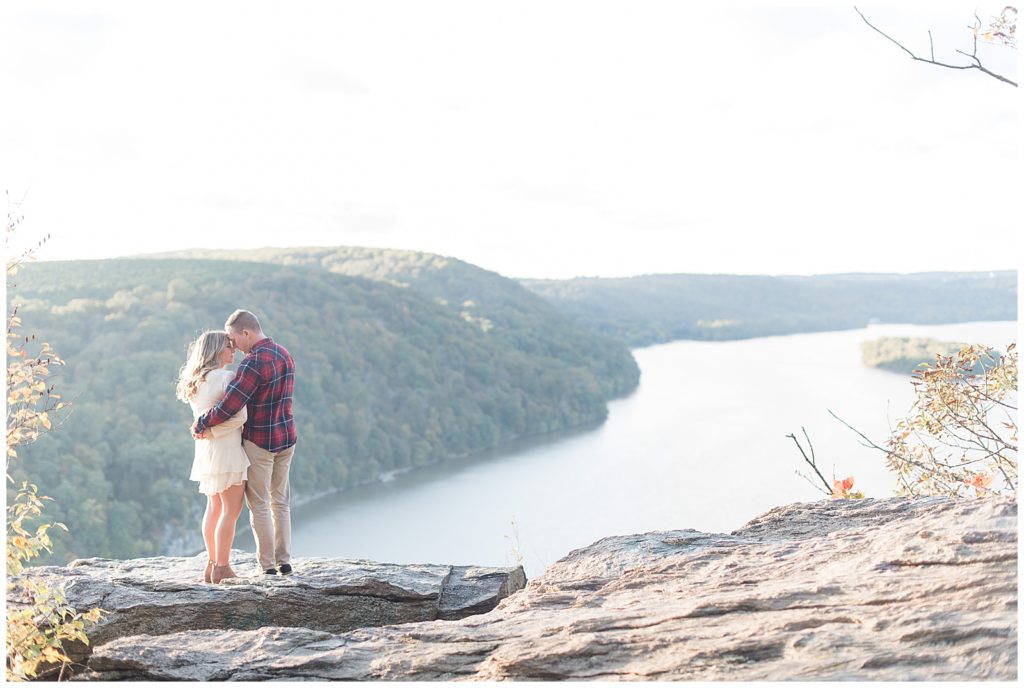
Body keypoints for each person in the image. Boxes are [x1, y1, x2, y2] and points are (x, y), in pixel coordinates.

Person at [192, 309, 297, 576]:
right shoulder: (284, 353)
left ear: (246, 332)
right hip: (286, 438)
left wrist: (202, 424)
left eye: (234, 339)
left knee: (259, 504)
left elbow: (230, 406)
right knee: (280, 501)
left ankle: (268, 566)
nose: (234, 347)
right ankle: (284, 560)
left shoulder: (252, 363)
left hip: (260, 441)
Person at [176, 330, 250, 584]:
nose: (234, 350)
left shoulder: (194, 380)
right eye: (229, 346)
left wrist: (205, 430)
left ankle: (211, 563)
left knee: (214, 507)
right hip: (226, 448)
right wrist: (213, 430)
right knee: (231, 510)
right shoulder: (226, 377)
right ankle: (223, 567)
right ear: (218, 350)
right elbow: (240, 417)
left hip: (206, 451)